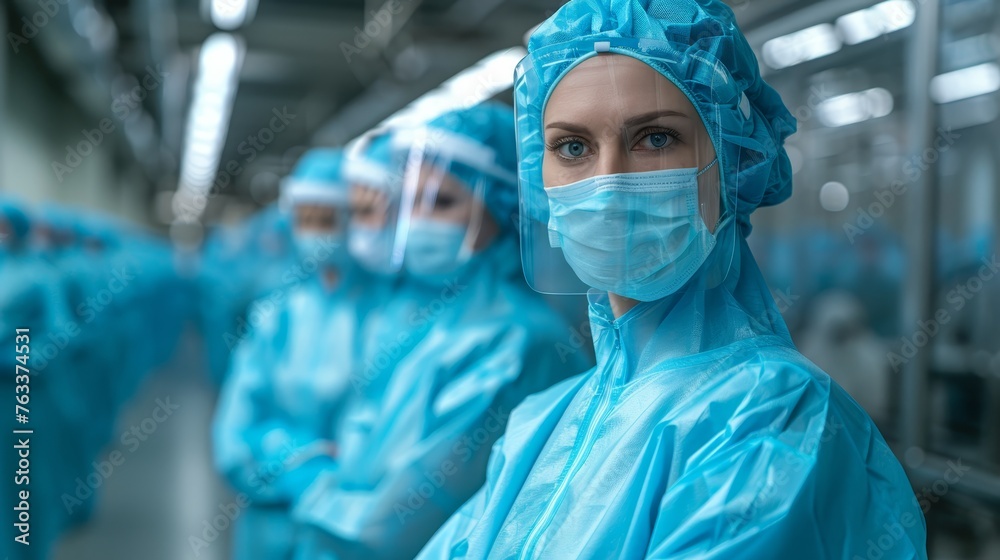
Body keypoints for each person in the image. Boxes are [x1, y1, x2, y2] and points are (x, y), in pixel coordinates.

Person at [416, 1, 927, 558]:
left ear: (732, 165)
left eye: (655, 138)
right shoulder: (541, 423)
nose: (608, 182)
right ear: (541, 181)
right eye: (573, 147)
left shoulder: (769, 418)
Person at [291, 103, 592, 559]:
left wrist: (310, 486)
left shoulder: (520, 342)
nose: (417, 221)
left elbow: (402, 520)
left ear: (505, 205)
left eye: (443, 202)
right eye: (411, 201)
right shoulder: (431, 318)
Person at [212, 148, 372, 560]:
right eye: (305, 219)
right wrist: (295, 465)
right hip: (270, 518)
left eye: (327, 219)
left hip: (349, 528)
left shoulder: (387, 312)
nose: (315, 232)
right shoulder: (278, 312)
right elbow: (235, 432)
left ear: (352, 220)